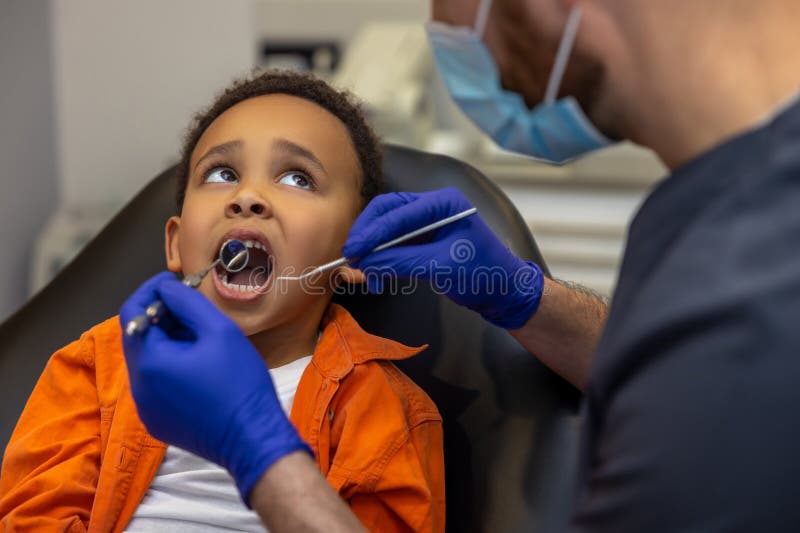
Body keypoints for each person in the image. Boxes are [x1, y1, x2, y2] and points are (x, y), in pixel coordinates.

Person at [114, 0, 800, 531]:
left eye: (451, 2)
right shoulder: (723, 234)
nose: (446, 31)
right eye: (222, 173)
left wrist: (262, 458)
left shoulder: (747, 303)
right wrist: (527, 299)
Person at [0, 70, 445, 532]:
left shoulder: (381, 408)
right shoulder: (99, 366)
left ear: (357, 253)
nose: (247, 197)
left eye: (297, 178)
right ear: (175, 244)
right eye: (222, 173)